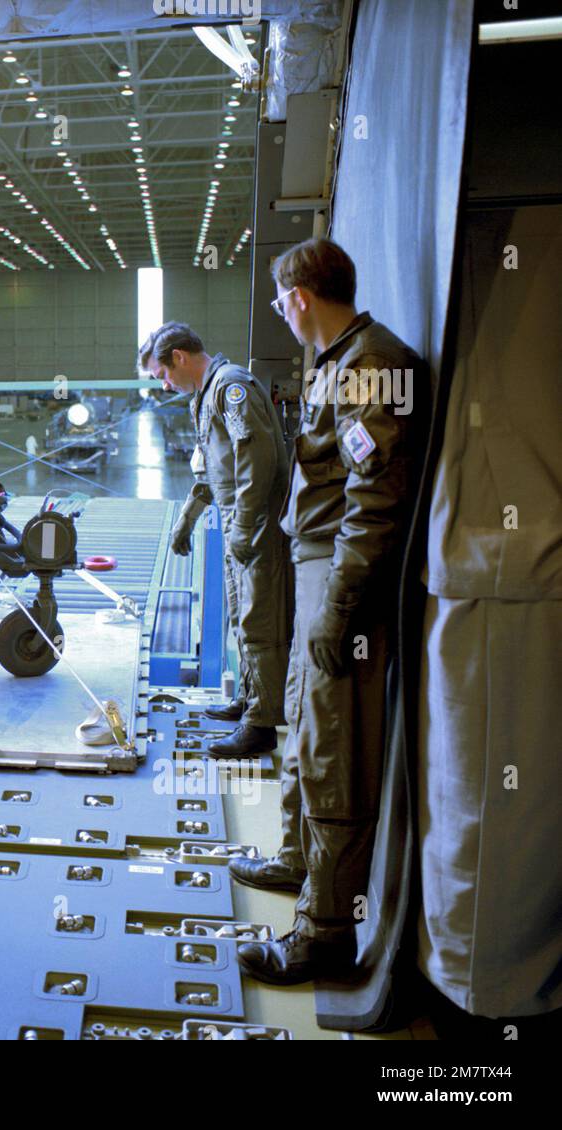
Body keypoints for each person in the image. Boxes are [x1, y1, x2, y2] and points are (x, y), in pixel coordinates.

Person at [237, 238, 424, 985]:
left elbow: (374, 502)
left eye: (280, 300)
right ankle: (297, 861)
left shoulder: (371, 365)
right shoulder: (340, 361)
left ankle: (324, 934)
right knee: (304, 730)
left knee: (332, 753)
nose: (280, 312)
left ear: (299, 297)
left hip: (339, 578)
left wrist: (338, 609)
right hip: (315, 567)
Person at [139, 323, 291, 761]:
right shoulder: (205, 397)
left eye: (162, 375)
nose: (164, 385)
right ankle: (250, 699)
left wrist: (243, 526)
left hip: (255, 522)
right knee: (241, 617)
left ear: (179, 358)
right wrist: (186, 519)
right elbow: (212, 471)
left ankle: (262, 725)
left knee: (259, 620)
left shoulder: (231, 387)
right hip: (237, 520)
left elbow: (257, 460)